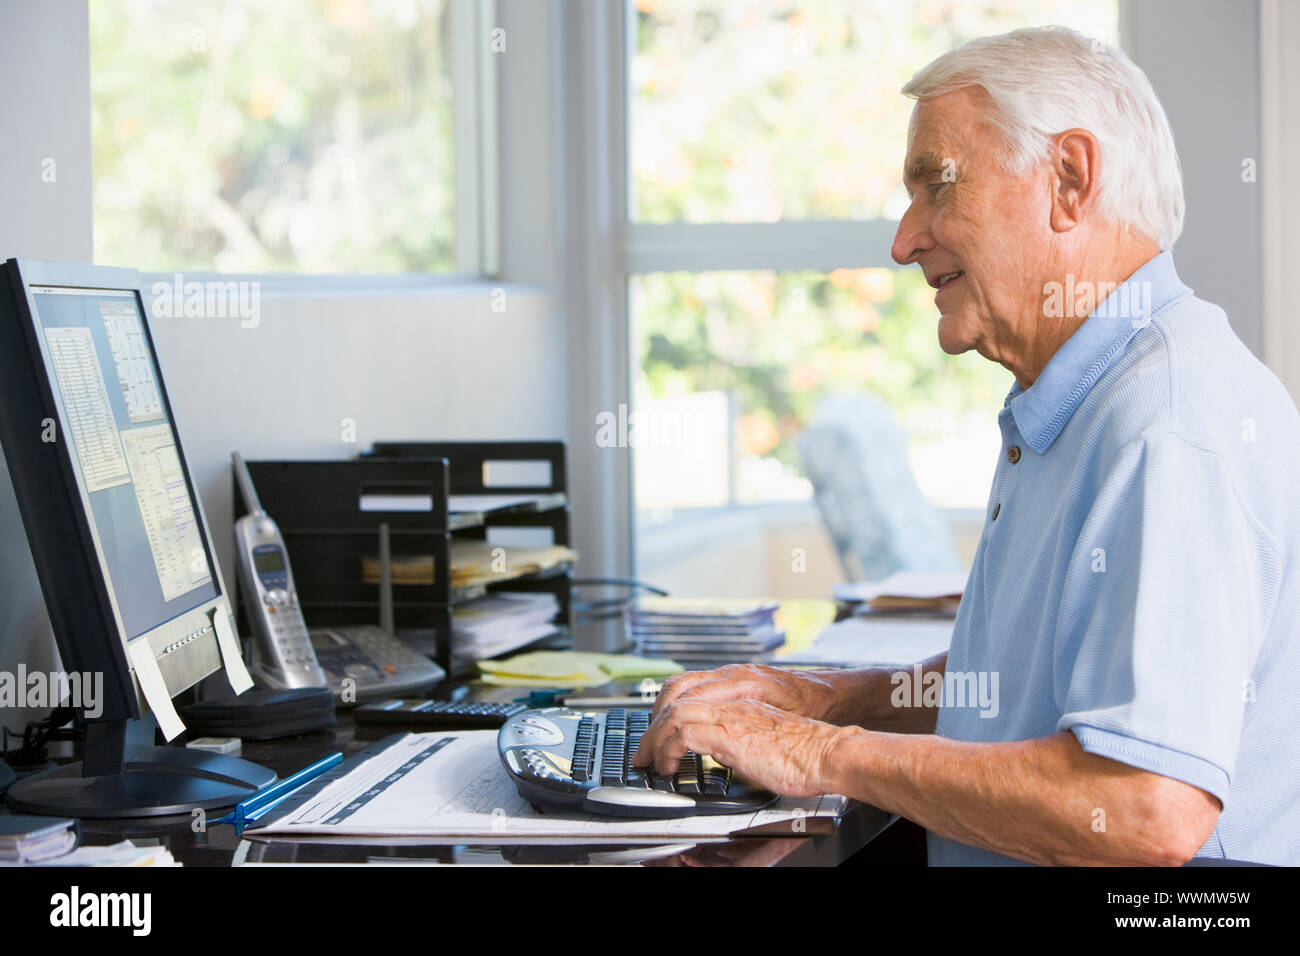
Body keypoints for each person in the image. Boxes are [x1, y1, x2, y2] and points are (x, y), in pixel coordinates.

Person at [632, 25, 1300, 866]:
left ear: (1069, 179)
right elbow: (1025, 684)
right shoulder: (1089, 394)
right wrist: (824, 701)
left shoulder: (1167, 424)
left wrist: (811, 753)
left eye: (937, 187)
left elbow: (1141, 808)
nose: (904, 240)